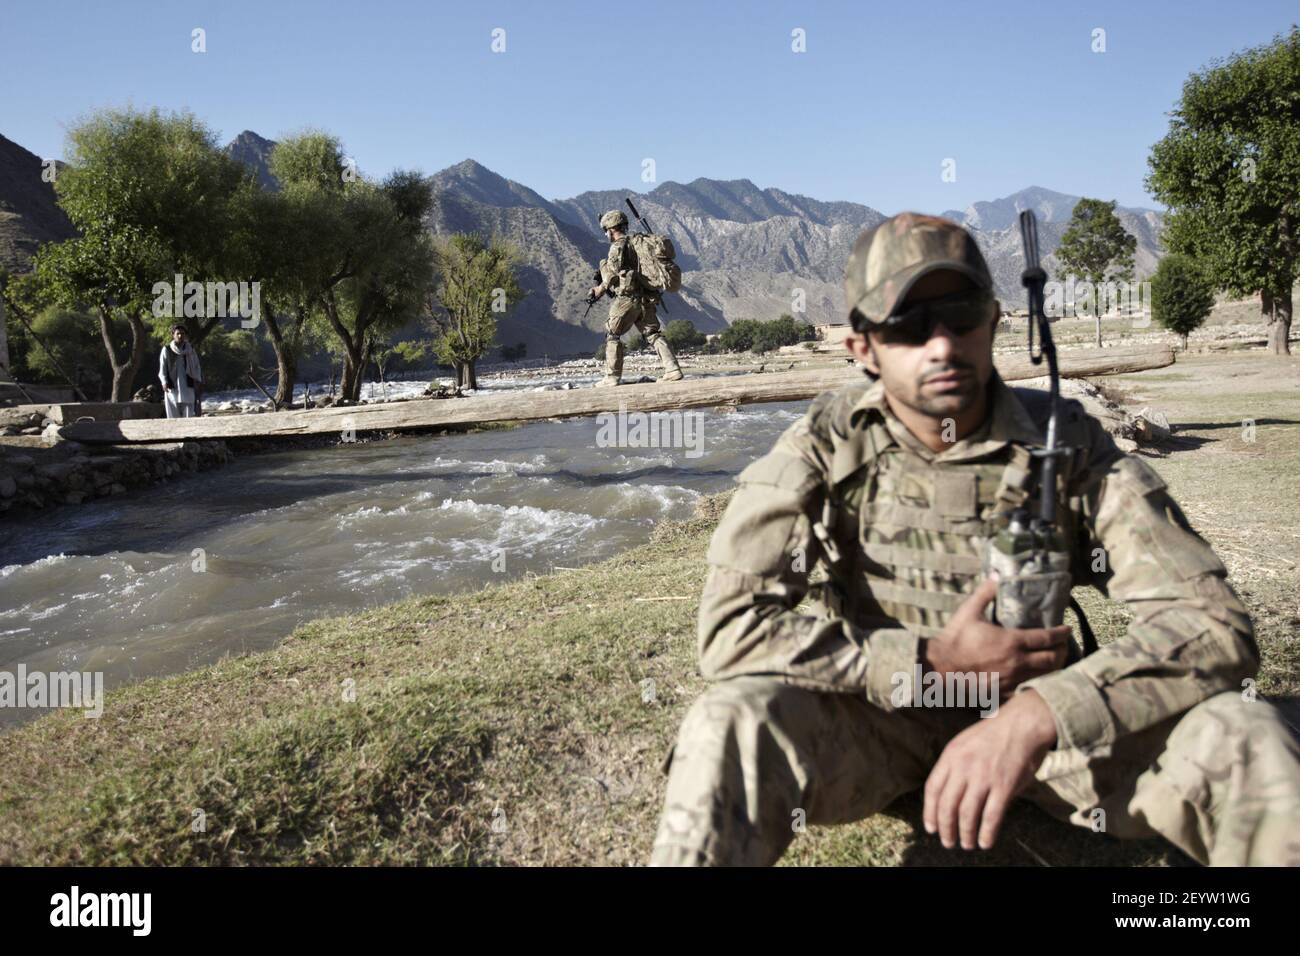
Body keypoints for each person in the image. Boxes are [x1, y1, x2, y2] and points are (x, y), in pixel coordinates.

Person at [650, 212, 1300, 866]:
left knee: (1243, 733)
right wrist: (927, 664)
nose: (941, 345)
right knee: (726, 722)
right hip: (879, 727)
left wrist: (1041, 712)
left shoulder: (1064, 444)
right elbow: (730, 632)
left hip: (1058, 742)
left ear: (993, 320)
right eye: (907, 325)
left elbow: (1212, 623)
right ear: (863, 349)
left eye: (959, 314)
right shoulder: (822, 447)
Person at [589, 210, 683, 387]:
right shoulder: (639, 243)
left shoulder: (618, 246)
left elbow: (613, 275)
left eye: (606, 231)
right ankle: (672, 370)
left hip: (627, 298)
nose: (606, 234)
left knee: (612, 333)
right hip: (646, 298)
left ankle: (612, 377)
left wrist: (599, 288)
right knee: (653, 334)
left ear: (611, 229)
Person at [158, 325, 203, 418]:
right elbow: (162, 368)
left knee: (188, 415)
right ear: (173, 335)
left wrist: (198, 380)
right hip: (172, 386)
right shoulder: (167, 350)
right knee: (173, 416)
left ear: (185, 335)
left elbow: (196, 367)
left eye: (182, 334)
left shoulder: (190, 350)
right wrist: (164, 382)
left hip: (188, 386)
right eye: (177, 333)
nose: (180, 336)